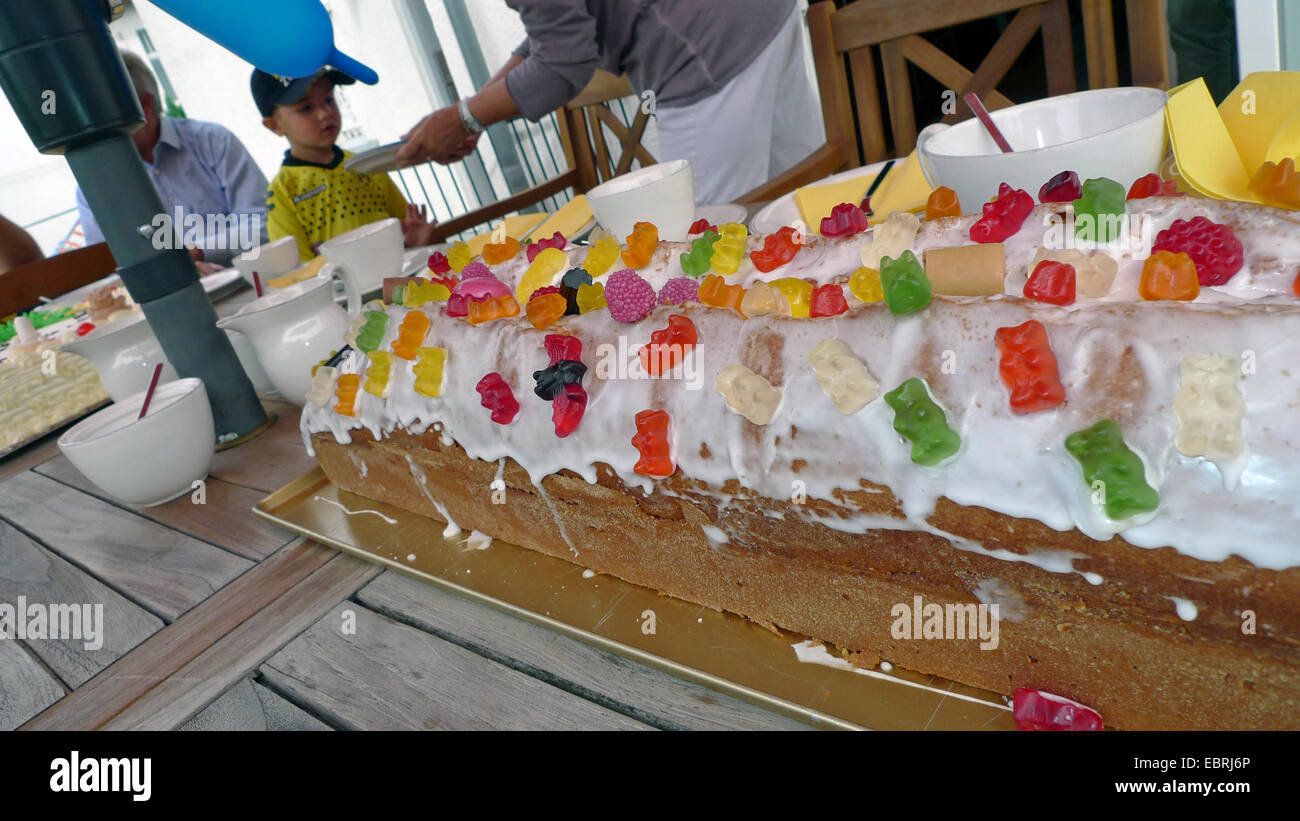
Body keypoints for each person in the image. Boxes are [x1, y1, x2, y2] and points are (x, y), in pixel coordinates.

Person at [394, 0, 824, 205]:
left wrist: (465, 117)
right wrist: (475, 111)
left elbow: (564, 60)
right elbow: (559, 27)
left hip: (704, 52)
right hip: (764, 16)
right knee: (805, 199)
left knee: (708, 250)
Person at [74, 52, 268, 271]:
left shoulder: (212, 141)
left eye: (100, 119)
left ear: (144, 107)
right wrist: (180, 266)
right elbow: (106, 267)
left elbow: (262, 225)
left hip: (251, 284)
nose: (93, 132)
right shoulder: (95, 185)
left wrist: (194, 253)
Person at [253, 68, 439, 262]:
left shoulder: (366, 165)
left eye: (329, 100)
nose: (325, 113)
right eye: (306, 108)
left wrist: (413, 243)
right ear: (274, 125)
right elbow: (298, 272)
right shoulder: (283, 191)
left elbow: (406, 229)